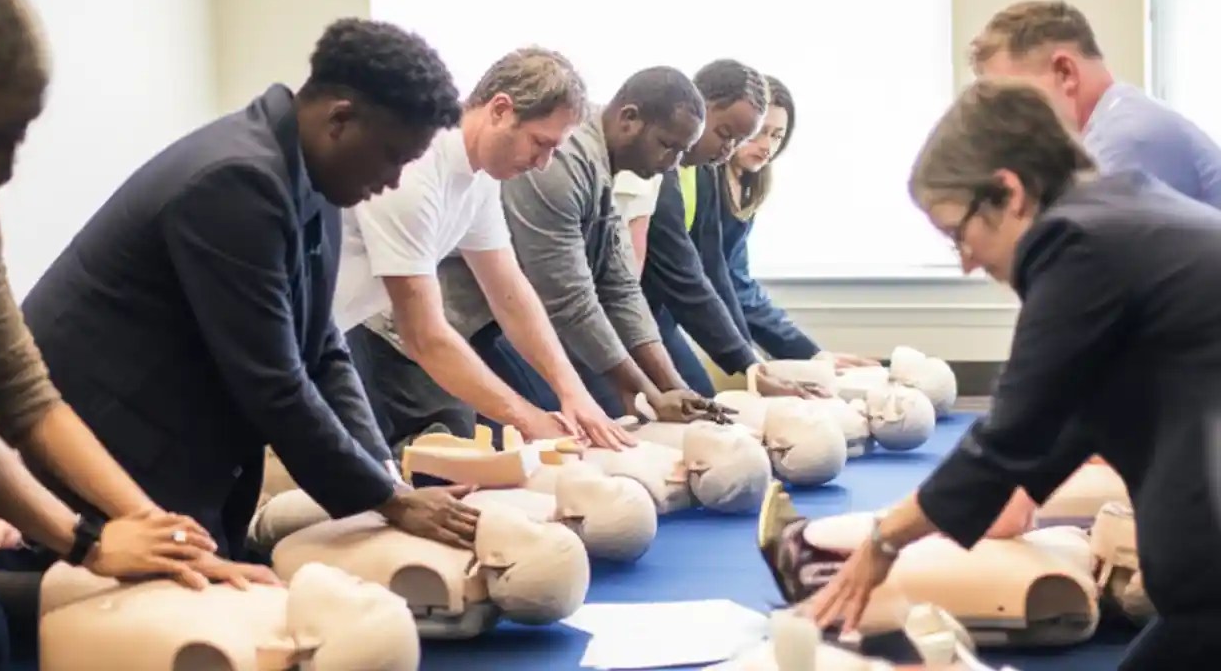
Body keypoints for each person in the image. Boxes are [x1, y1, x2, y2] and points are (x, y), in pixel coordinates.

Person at [15, 17, 482, 562]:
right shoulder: (236, 180)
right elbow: (274, 384)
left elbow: (321, 346)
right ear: (341, 120)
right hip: (95, 451)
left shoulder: (313, 178)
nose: (395, 180)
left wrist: (381, 473)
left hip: (168, 443)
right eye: (393, 156)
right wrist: (391, 502)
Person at [800, 78, 1221, 670]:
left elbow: (1011, 432)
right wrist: (1012, 491)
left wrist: (885, 539)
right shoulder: (1121, 211)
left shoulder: (1074, 244)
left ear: (1009, 192)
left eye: (957, 234)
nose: (967, 261)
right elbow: (1077, 407)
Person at [0, 0, 267, 668]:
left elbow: (25, 386)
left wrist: (146, 525)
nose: (3, 171)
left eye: (20, 135)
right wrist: (87, 541)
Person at [335, 47, 633, 453]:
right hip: (280, 320)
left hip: (328, 323)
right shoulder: (414, 164)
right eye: (540, 143)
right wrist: (531, 421)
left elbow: (510, 293)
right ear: (500, 110)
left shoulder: (480, 179)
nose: (544, 164)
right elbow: (424, 335)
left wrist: (573, 393)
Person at [436, 66, 734, 423]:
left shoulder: (602, 161)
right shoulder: (561, 163)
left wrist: (672, 387)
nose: (672, 164)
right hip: (442, 328)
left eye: (681, 153)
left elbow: (619, 284)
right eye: (667, 146)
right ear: (629, 119)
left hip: (498, 321)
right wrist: (651, 396)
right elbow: (570, 297)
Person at [635, 71, 876, 397]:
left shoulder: (730, 183)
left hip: (655, 317)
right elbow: (688, 276)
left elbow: (726, 276)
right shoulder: (684, 172)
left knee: (700, 401)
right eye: (758, 134)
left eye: (777, 136)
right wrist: (748, 361)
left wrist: (781, 358)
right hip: (635, 315)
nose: (766, 147)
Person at [971, 0, 1221, 208]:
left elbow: (1093, 257)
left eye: (1013, 99)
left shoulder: (1127, 139)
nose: (1007, 121)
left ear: (1065, 72)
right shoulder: (1116, 121)